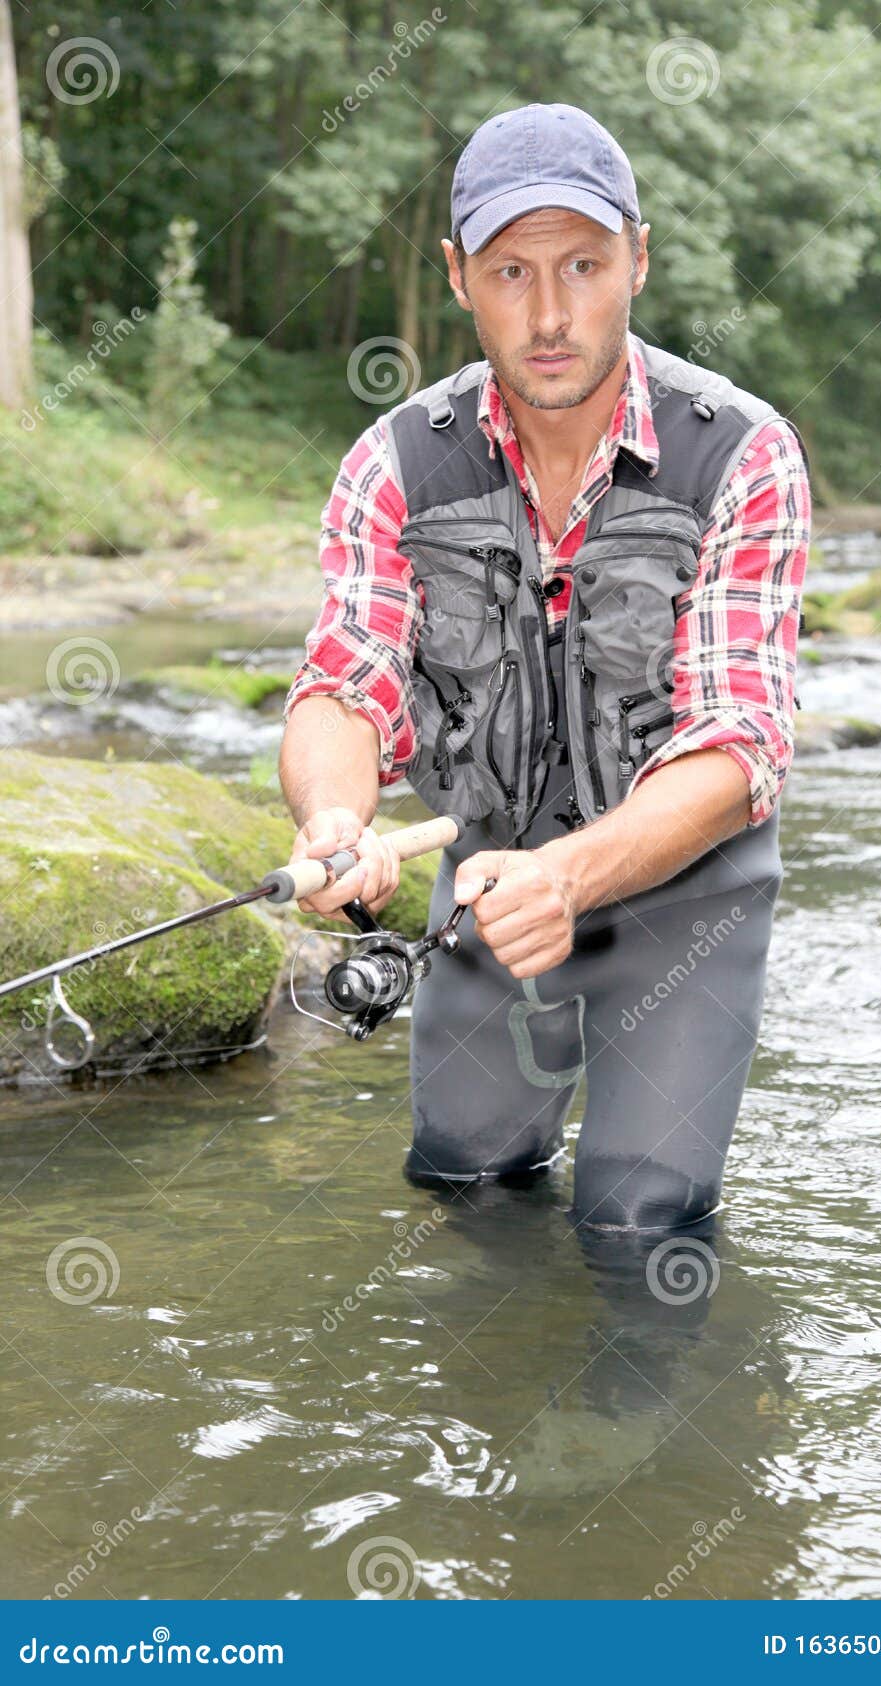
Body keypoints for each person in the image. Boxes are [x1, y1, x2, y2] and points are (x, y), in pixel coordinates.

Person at [279, 103, 810, 1235]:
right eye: (511, 270)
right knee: (463, 1192)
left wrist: (569, 877)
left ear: (640, 259)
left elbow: (739, 740)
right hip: (482, 895)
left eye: (583, 263)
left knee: (642, 1222)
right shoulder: (393, 465)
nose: (552, 312)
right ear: (457, 274)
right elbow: (346, 680)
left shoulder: (744, 453)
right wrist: (334, 822)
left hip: (689, 900)